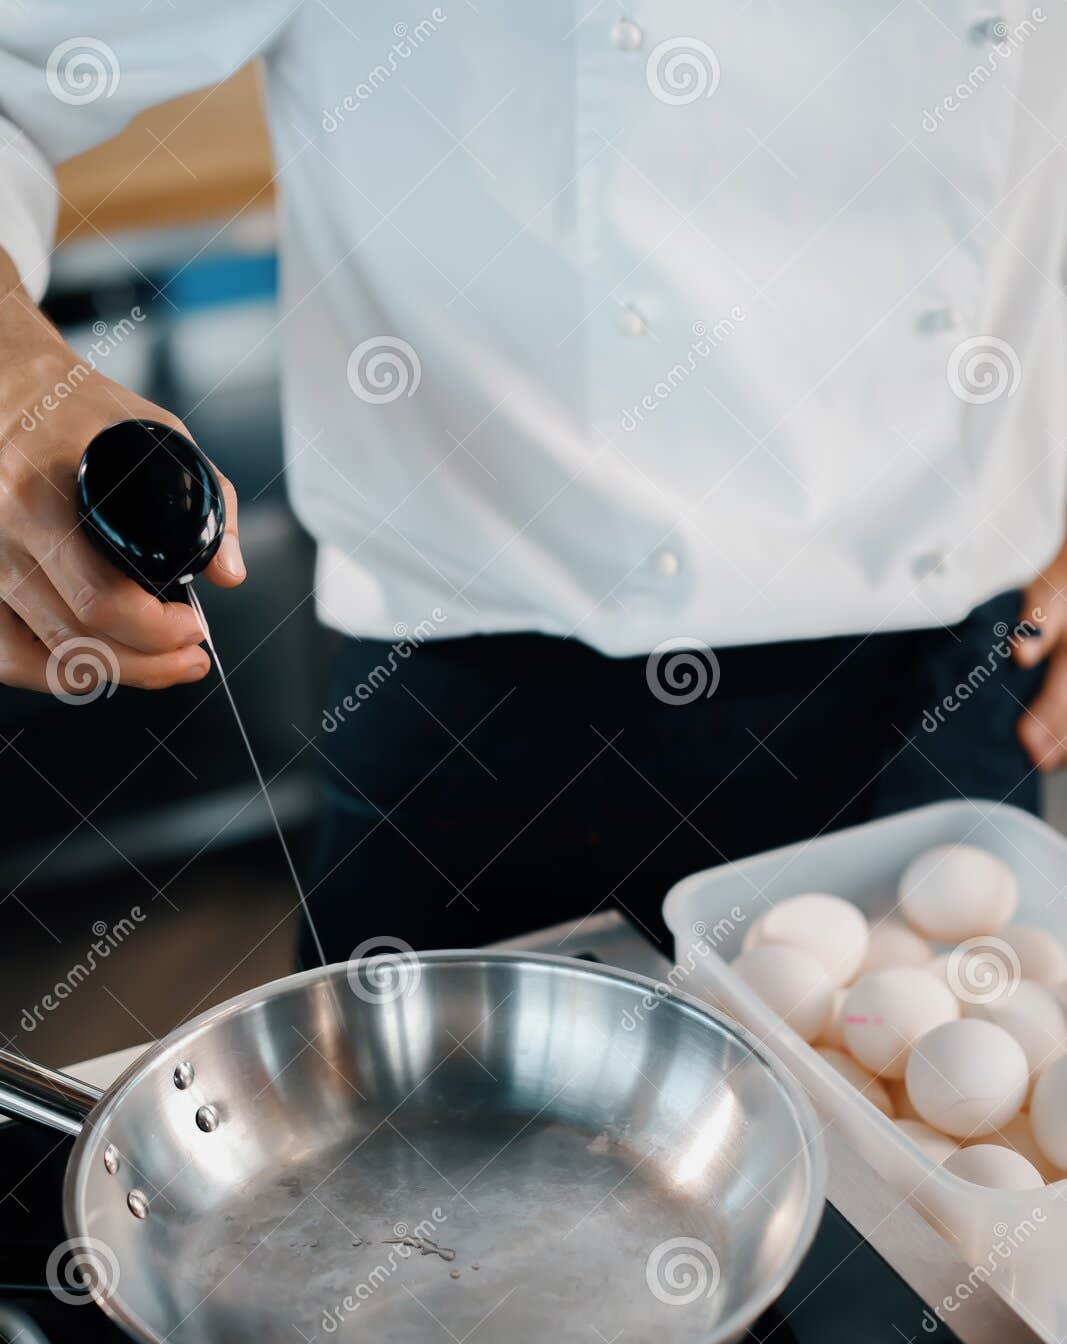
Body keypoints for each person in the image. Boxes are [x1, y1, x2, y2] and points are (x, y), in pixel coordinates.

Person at [1, 4, 1065, 962]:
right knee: (419, 1171)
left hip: (961, 691)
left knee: (928, 1154)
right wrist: (12, 370)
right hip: (498, 722)